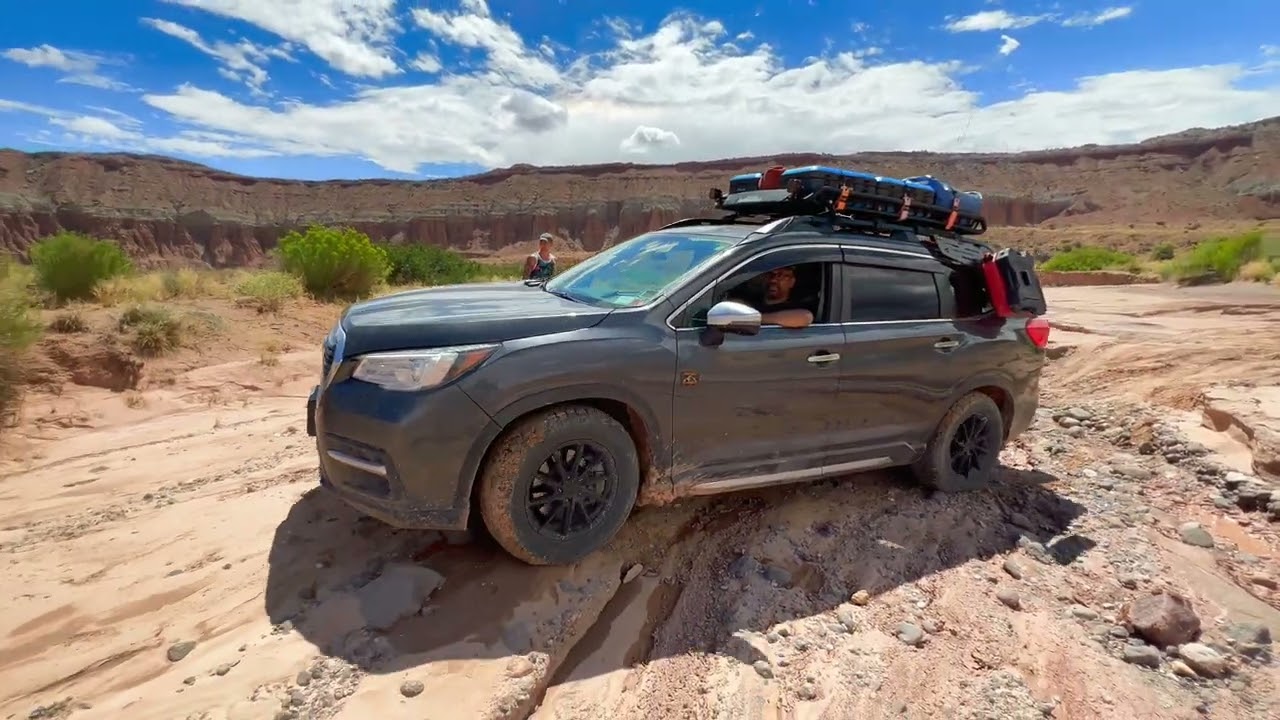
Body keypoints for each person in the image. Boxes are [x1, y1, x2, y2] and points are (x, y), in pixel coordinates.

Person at [731, 265, 814, 328]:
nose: (773, 280)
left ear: (791, 282)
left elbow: (806, 317)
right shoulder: (749, 300)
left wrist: (752, 319)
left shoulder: (795, 307)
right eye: (770, 274)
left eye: (780, 275)